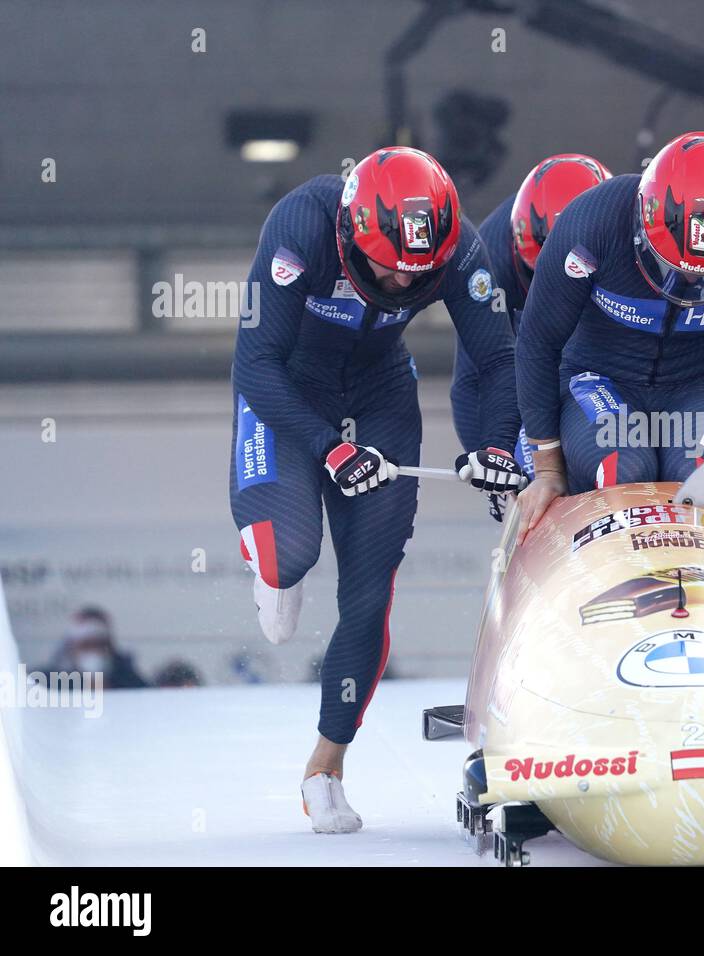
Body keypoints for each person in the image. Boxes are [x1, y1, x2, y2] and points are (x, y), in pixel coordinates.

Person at [229, 146, 523, 834]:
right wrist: (329, 449)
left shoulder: (459, 248)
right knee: (286, 555)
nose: (397, 281)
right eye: (383, 266)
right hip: (288, 392)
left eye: (415, 275)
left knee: (368, 592)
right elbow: (256, 364)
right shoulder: (300, 227)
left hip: (380, 393)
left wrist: (494, 446)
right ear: (349, 234)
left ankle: (325, 768)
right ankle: (272, 569)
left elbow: (501, 355)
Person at [511, 132, 704, 549]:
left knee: (693, 475)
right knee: (624, 468)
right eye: (676, 267)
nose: (694, 283)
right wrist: (548, 472)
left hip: (698, 381)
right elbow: (538, 341)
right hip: (598, 379)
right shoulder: (591, 223)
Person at [450, 153, 612, 518]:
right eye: (542, 278)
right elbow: (473, 377)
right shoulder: (491, 254)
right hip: (533, 362)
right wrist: (492, 459)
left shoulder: (620, 236)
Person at [39, 606, 149, 690]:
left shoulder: (130, 682)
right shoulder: (48, 684)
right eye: (86, 645)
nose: (94, 651)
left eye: (99, 645)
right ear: (71, 648)